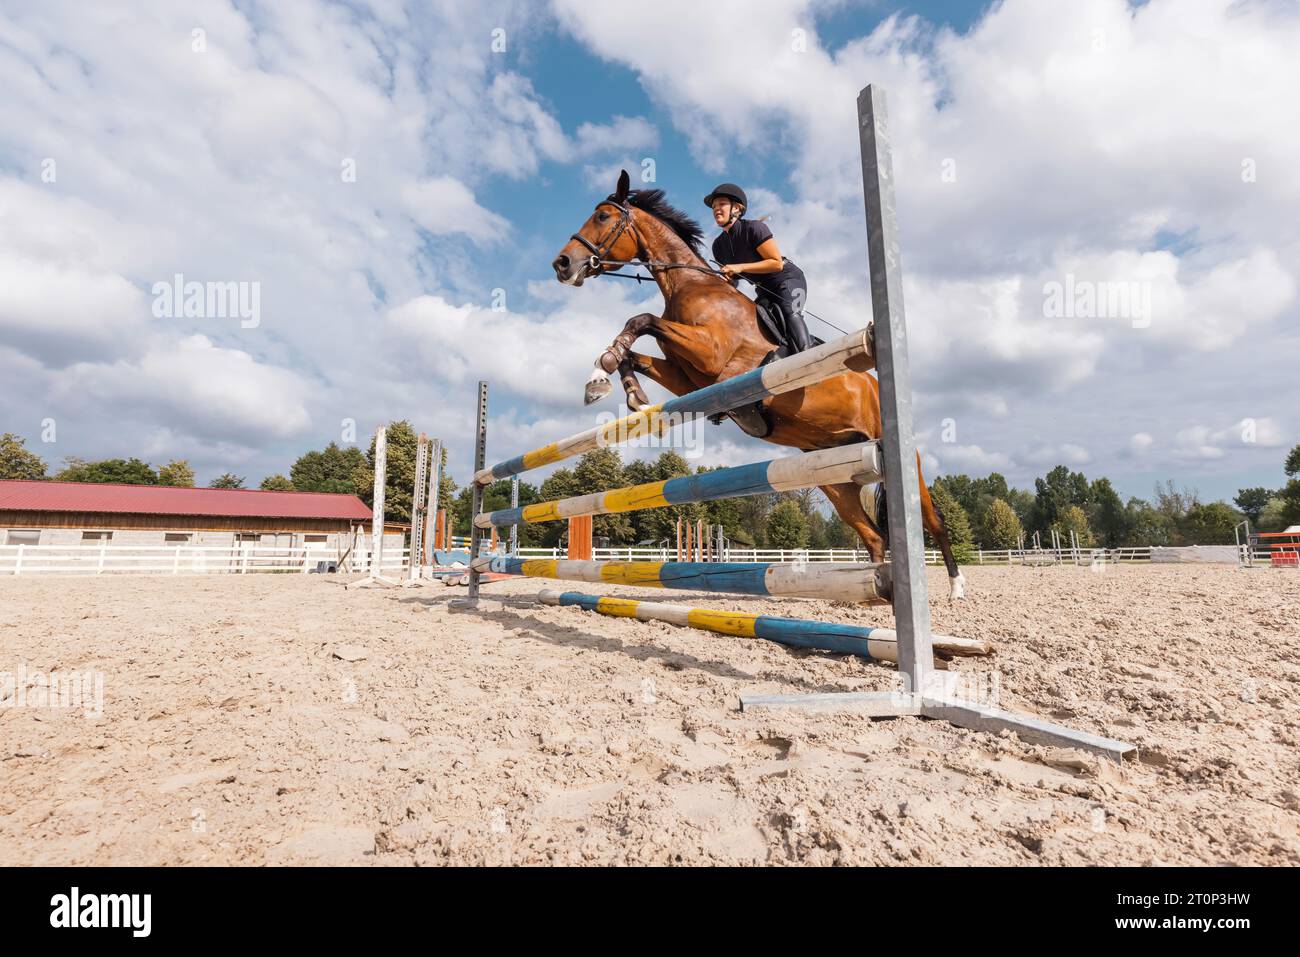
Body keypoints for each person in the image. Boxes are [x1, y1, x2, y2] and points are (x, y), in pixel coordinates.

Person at [705, 182, 812, 353]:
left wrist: (739, 267)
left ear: (737, 209)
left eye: (722, 204)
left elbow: (776, 263)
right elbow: (733, 282)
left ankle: (809, 359)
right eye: (714, 206)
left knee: (790, 313)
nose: (716, 209)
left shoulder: (754, 228)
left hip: (787, 279)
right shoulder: (718, 246)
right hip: (764, 290)